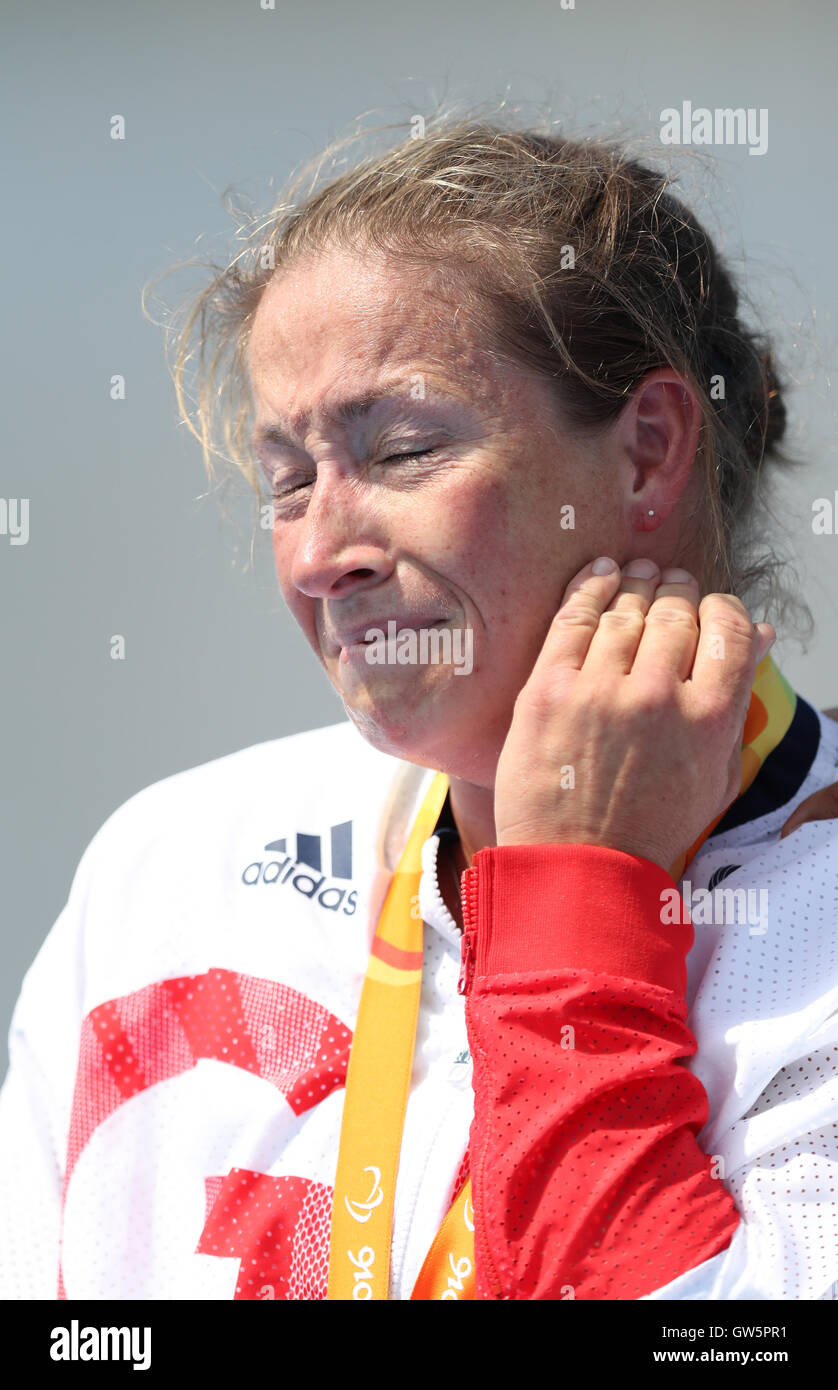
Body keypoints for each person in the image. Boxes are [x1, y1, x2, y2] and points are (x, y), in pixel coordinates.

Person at [1, 116, 837, 1302]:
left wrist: (582, 911)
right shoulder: (168, 865)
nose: (318, 554)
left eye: (399, 451)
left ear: (648, 452)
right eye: (286, 479)